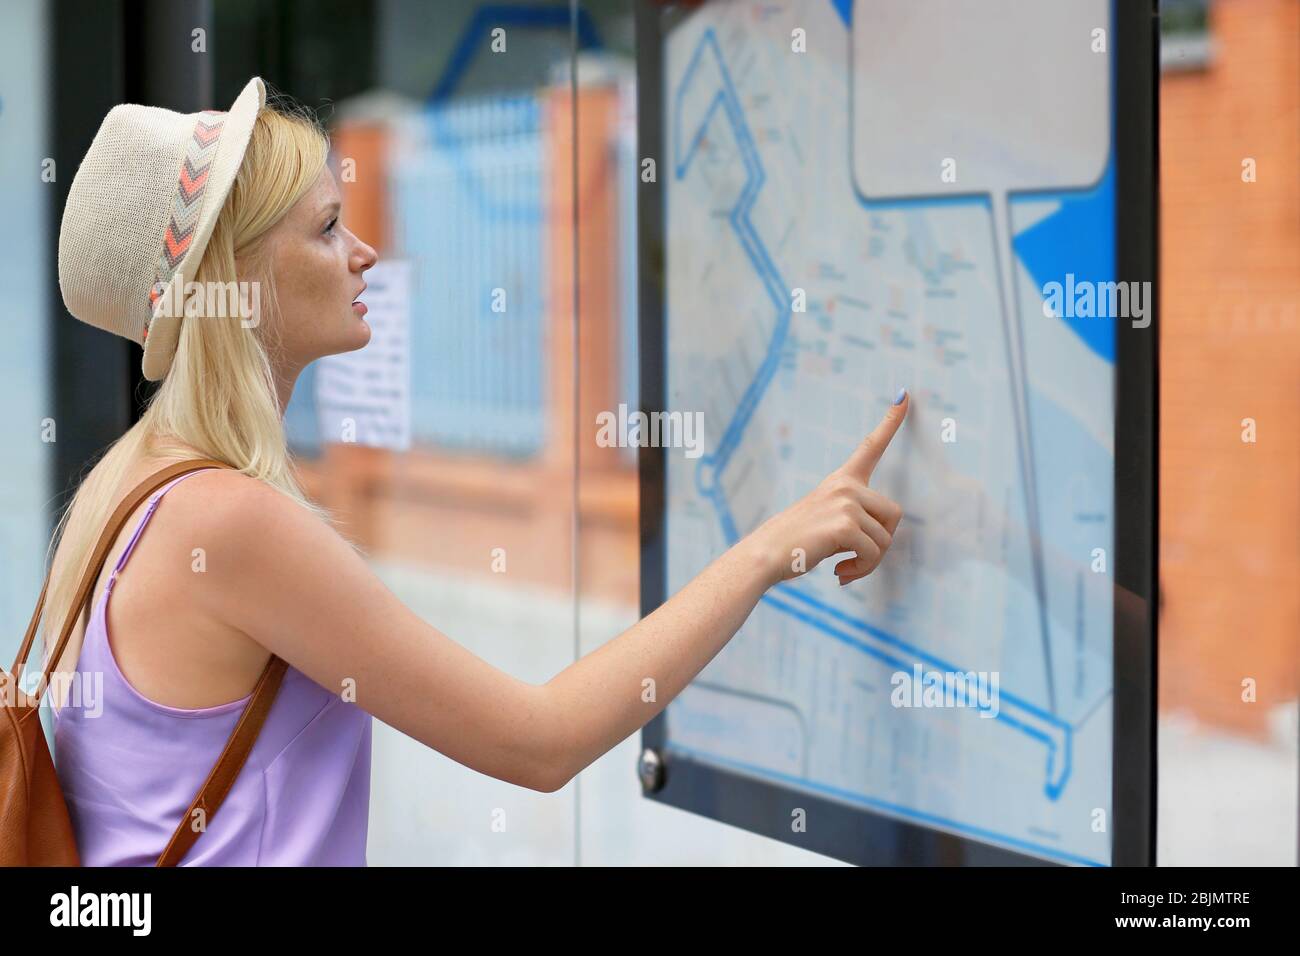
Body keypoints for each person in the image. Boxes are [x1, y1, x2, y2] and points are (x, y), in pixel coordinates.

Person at [43, 77, 907, 865]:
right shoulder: (226, 520)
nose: (365, 251)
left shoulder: (126, 488)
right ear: (242, 280)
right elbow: (538, 742)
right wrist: (766, 551)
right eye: (328, 227)